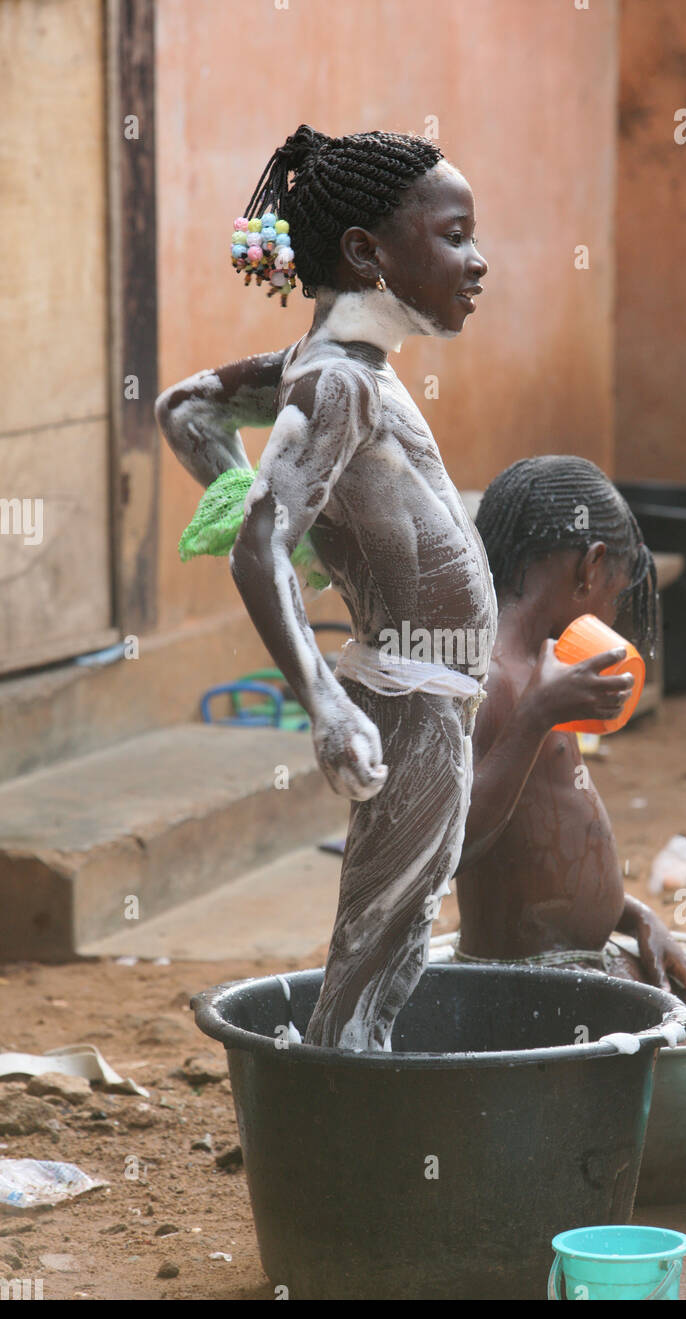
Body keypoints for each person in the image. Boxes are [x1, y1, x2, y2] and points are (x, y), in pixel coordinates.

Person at [156, 125, 495, 1049]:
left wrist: (281, 515)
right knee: (375, 949)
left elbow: (185, 408)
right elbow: (256, 549)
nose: (477, 262)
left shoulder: (334, 368)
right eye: (455, 237)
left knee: (394, 938)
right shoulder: (337, 384)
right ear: (365, 253)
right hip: (411, 704)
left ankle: (350, 1096)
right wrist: (325, 706)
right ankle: (341, 1111)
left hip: (431, 698)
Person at [454, 455, 686, 996]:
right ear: (591, 567)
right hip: (526, 983)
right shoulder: (494, 679)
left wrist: (637, 916)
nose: (611, 616)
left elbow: (544, 846)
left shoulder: (546, 666)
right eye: (614, 596)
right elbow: (452, 845)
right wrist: (535, 716)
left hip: (577, 961)